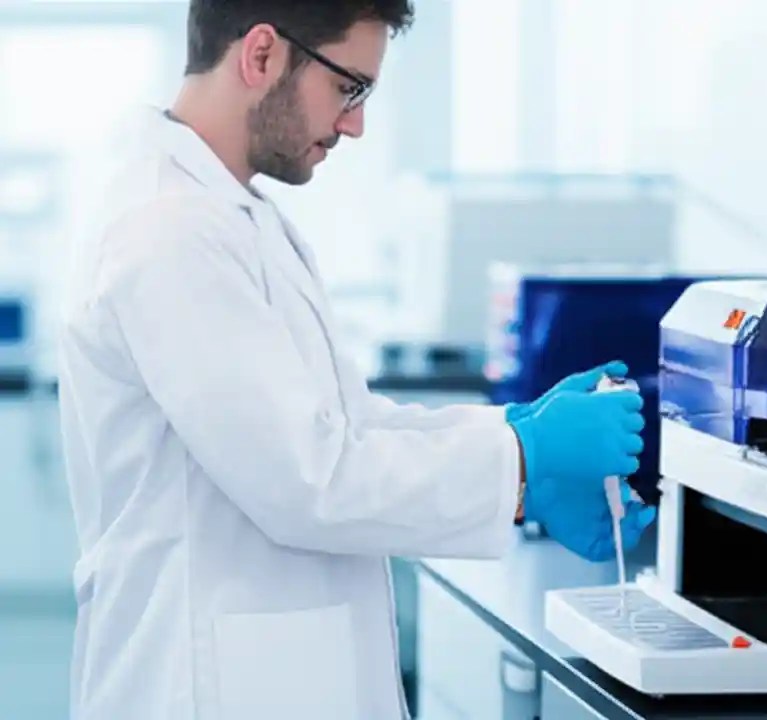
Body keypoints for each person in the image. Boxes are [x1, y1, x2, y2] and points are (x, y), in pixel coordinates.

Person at [57, 2, 655, 718]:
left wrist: (517, 439)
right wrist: (523, 457)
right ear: (261, 55)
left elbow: (344, 428)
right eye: (349, 87)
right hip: (200, 686)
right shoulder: (170, 231)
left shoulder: (231, 215)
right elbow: (308, 481)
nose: (355, 124)